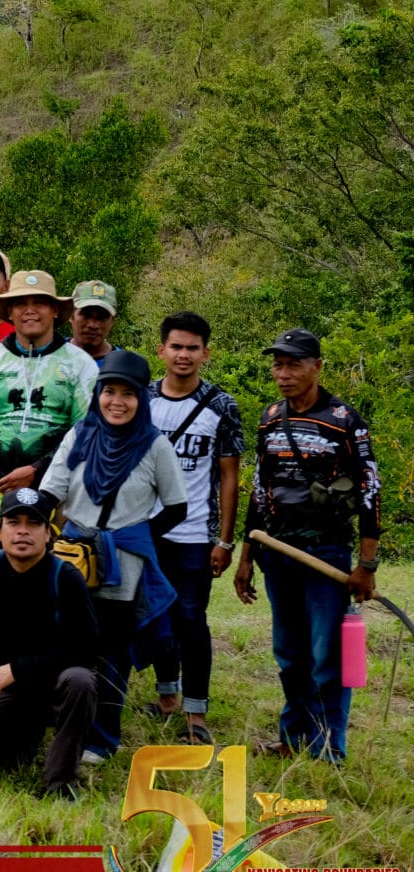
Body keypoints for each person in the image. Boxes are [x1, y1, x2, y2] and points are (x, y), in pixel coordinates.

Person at [233, 329, 382, 764]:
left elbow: (370, 491)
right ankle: (292, 737)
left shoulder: (344, 420)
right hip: (277, 551)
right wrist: (247, 559)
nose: (284, 373)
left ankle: (329, 748)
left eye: (294, 363)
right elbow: (259, 490)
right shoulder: (269, 416)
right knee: (289, 654)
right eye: (278, 364)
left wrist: (366, 564)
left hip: (326, 555)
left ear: (317, 366)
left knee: (326, 656)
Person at [39, 349, 188, 764]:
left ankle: (102, 739)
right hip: (73, 554)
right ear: (98, 394)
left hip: (124, 563)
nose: (117, 402)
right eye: (109, 392)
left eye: (128, 393)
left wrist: (137, 536)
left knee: (111, 651)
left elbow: (176, 507)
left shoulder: (155, 446)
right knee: (65, 641)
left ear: (142, 399)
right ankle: (61, 722)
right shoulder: (80, 435)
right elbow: (53, 490)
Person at [0, 486, 100, 799]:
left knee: (80, 680)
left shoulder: (65, 577)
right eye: (13, 522)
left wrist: (20, 669)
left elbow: (86, 648)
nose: (22, 531)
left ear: (48, 534)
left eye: (33, 523)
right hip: (6, 694)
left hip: (54, 689)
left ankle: (60, 783)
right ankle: (21, 740)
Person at [146, 310, 244, 745]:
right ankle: (166, 696)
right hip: (147, 532)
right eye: (176, 346)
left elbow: (228, 475)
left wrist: (224, 539)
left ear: (206, 353)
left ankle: (196, 714)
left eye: (192, 348)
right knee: (157, 617)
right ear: (161, 349)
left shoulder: (220, 406)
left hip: (194, 535)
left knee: (190, 619)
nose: (183, 355)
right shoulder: (140, 398)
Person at [0, 270, 98, 522]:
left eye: (40, 303)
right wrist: (0, 479)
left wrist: (37, 471)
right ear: (10, 311)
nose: (30, 310)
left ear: (55, 310)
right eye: (21, 303)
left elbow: (85, 432)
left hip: (59, 494)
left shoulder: (82, 365)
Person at [70, 281, 119, 362]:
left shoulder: (123, 365)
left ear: (112, 321)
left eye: (101, 317)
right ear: (71, 315)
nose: (93, 325)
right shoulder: (51, 355)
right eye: (86, 315)